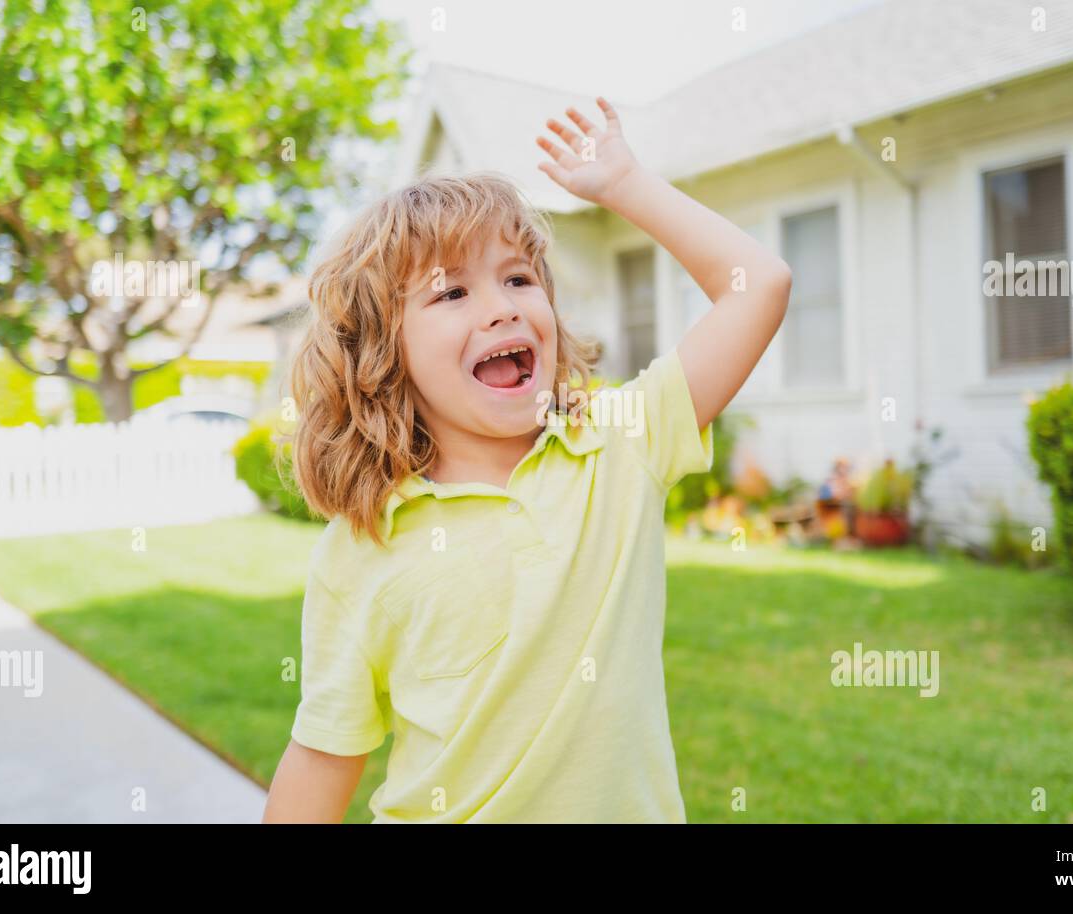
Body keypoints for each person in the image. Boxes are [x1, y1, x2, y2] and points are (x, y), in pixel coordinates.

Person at [261, 97, 792, 823]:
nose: (504, 307)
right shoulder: (363, 548)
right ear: (386, 357)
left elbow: (757, 285)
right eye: (452, 291)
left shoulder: (617, 444)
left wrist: (626, 185)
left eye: (517, 278)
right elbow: (323, 756)